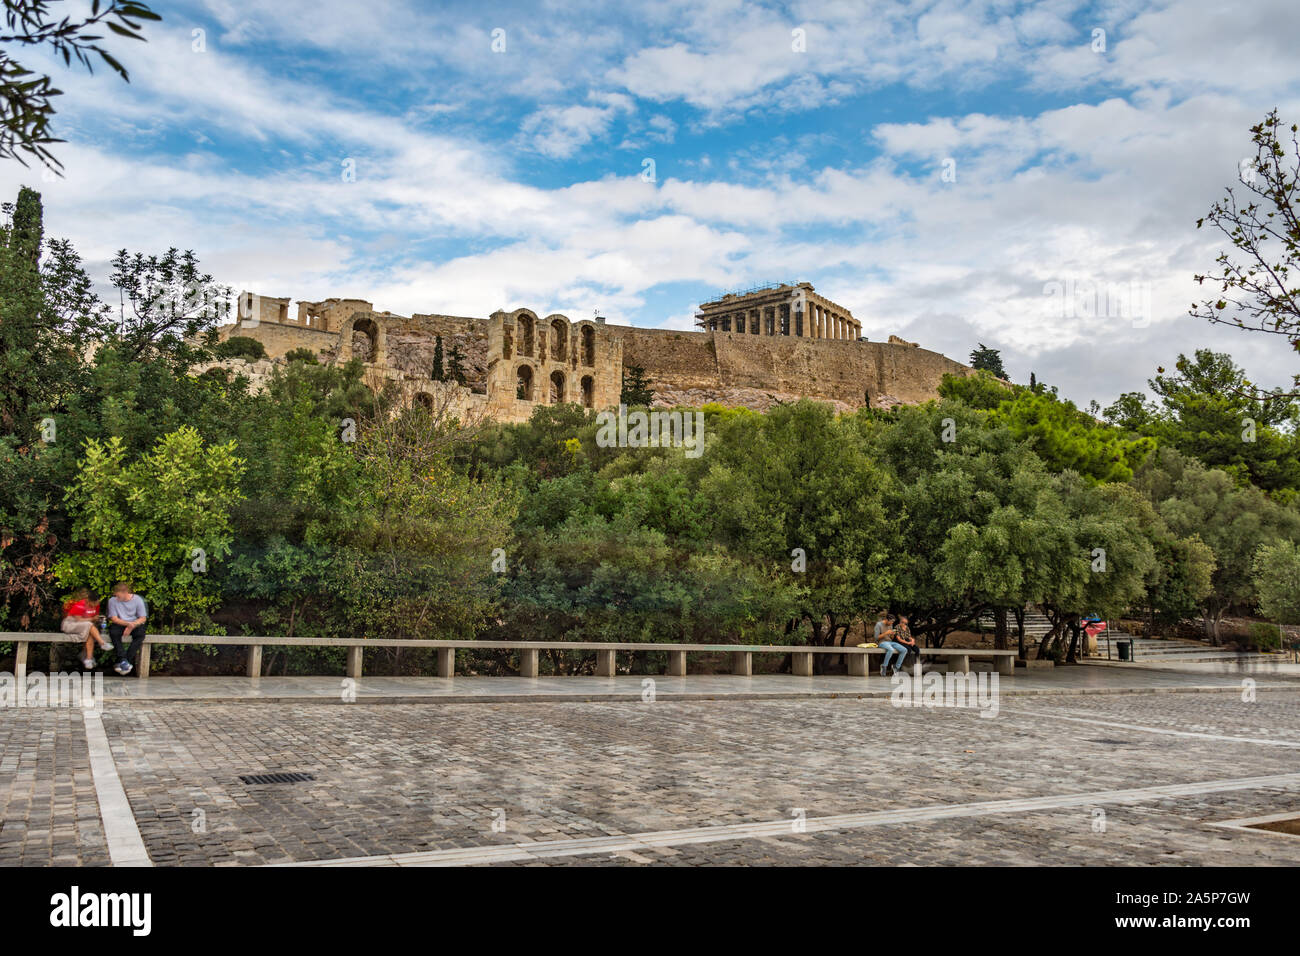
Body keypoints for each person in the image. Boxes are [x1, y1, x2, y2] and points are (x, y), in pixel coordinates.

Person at [106, 581, 148, 676]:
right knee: (114, 632)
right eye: (116, 596)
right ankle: (124, 660)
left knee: (140, 634)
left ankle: (125, 660)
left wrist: (132, 625)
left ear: (125, 592)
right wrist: (128, 624)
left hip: (135, 623)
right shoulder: (112, 601)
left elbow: (143, 618)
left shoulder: (137, 600)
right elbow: (114, 618)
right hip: (120, 623)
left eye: (119, 596)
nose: (117, 598)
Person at [63, 588, 111, 669]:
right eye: (94, 603)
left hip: (86, 626)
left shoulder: (97, 605)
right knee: (89, 625)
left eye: (97, 602)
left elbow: (92, 618)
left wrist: (97, 619)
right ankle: (102, 643)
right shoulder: (80, 605)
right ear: (89, 601)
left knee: (90, 632)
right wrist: (92, 619)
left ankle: (88, 659)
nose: (96, 605)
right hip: (71, 624)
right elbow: (78, 620)